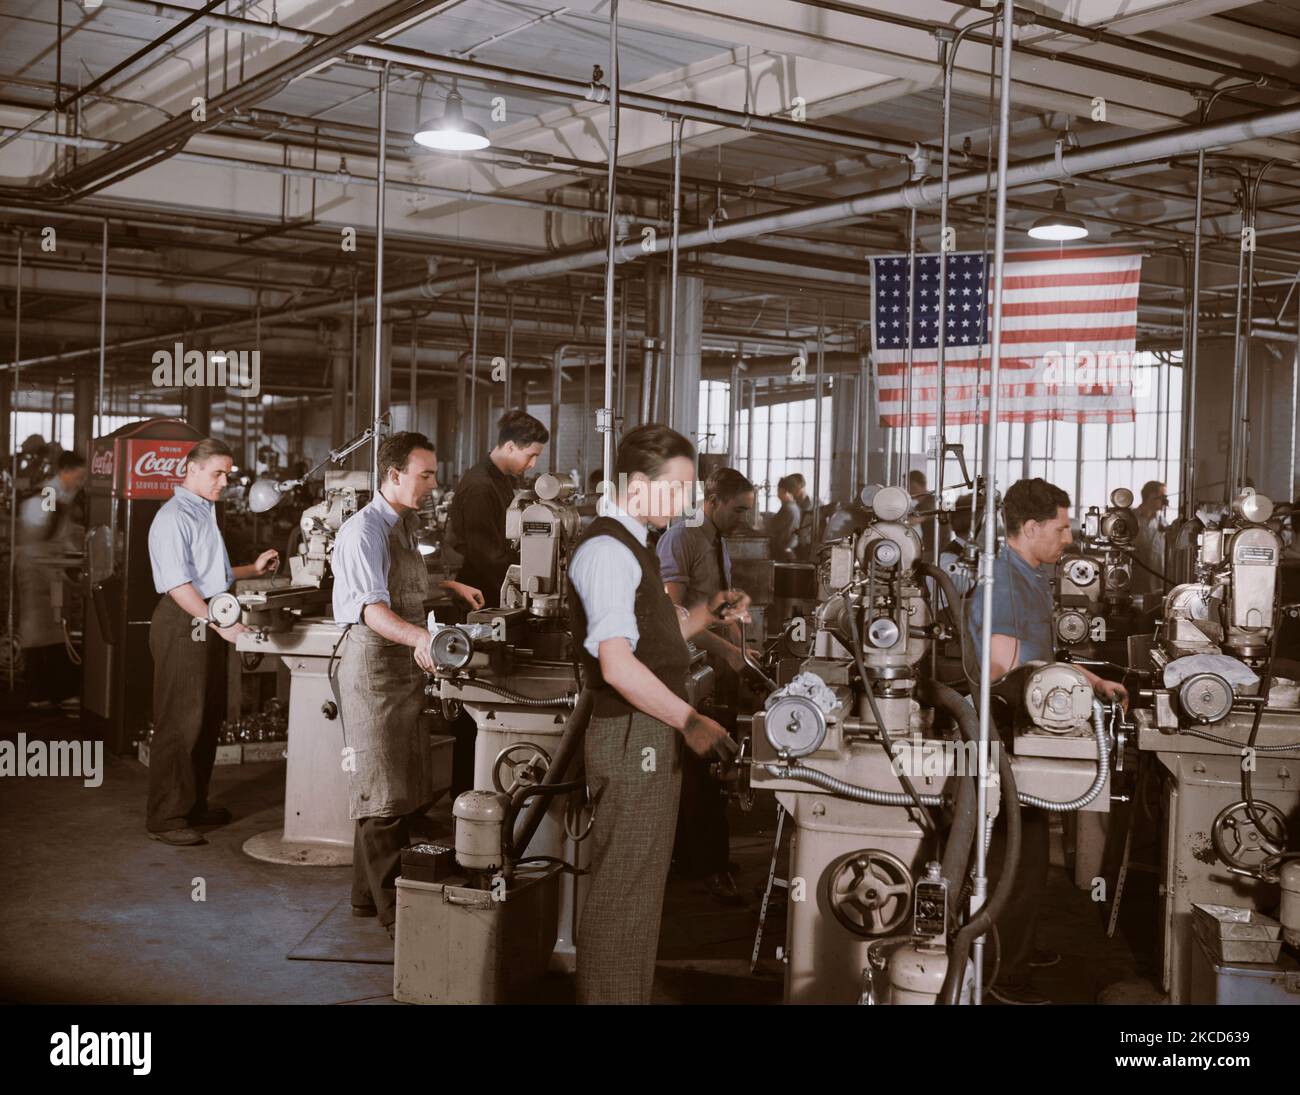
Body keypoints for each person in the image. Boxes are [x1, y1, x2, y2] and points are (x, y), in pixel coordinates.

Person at [568, 424, 746, 1003]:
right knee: (625, 888)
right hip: (632, 734)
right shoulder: (605, 551)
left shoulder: (633, 544)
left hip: (646, 729)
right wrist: (690, 721)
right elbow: (618, 665)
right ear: (638, 486)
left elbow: (659, 632)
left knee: (641, 888)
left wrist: (709, 611)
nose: (688, 501)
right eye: (679, 487)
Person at [964, 477, 1127, 1005]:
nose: (1069, 538)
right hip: (1004, 733)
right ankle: (1004, 977)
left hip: (1025, 727)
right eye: (1061, 528)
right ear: (1029, 528)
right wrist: (1073, 686)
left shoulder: (1032, 574)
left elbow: (1042, 654)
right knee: (1020, 859)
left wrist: (1092, 681)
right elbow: (1002, 666)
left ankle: (1017, 945)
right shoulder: (1004, 584)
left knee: (1030, 848)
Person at [330, 432, 483, 938]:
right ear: (393, 475)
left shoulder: (403, 523)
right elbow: (373, 608)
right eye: (426, 475)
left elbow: (405, 580)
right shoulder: (363, 531)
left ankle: (362, 900)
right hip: (373, 670)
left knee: (388, 784)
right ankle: (402, 923)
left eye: (434, 474)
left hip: (399, 669)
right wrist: (422, 639)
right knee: (384, 792)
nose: (434, 484)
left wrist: (449, 586)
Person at [146, 438, 280, 846]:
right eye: (218, 473)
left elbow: (211, 573)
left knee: (206, 718)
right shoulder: (173, 517)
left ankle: (193, 803)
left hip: (207, 613)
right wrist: (218, 623)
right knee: (181, 721)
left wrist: (251, 569)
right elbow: (179, 585)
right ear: (191, 469)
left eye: (228, 473)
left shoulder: (204, 512)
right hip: (185, 620)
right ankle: (166, 817)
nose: (225, 481)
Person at [657, 466, 756, 905]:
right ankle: (703, 868)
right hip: (688, 670)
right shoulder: (682, 538)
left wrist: (738, 637)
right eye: (738, 510)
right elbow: (672, 616)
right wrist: (725, 650)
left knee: (716, 768)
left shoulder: (715, 540)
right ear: (712, 501)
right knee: (700, 768)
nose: (744, 520)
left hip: (714, 666)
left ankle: (707, 859)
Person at [448, 410, 549, 608]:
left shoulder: (501, 480)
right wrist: (528, 587)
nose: (533, 464)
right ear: (511, 447)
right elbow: (488, 557)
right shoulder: (481, 486)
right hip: (482, 595)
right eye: (531, 456)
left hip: (495, 587)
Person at [17, 452, 87, 706]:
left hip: (50, 568)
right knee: (38, 630)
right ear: (65, 471)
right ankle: (40, 691)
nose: (80, 482)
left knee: (57, 628)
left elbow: (59, 535)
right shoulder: (48, 495)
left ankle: (58, 690)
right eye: (79, 476)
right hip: (36, 569)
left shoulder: (61, 497)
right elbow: (43, 531)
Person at [1131, 480, 1168, 596]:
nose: (1165, 501)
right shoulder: (1131, 518)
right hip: (1134, 578)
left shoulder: (1162, 522)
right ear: (1152, 497)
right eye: (1162, 497)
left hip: (1155, 580)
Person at [767, 475, 803, 562]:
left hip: (784, 550)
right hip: (788, 549)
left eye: (779, 491)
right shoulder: (794, 507)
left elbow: (773, 528)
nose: (778, 494)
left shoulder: (788, 509)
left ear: (785, 491)